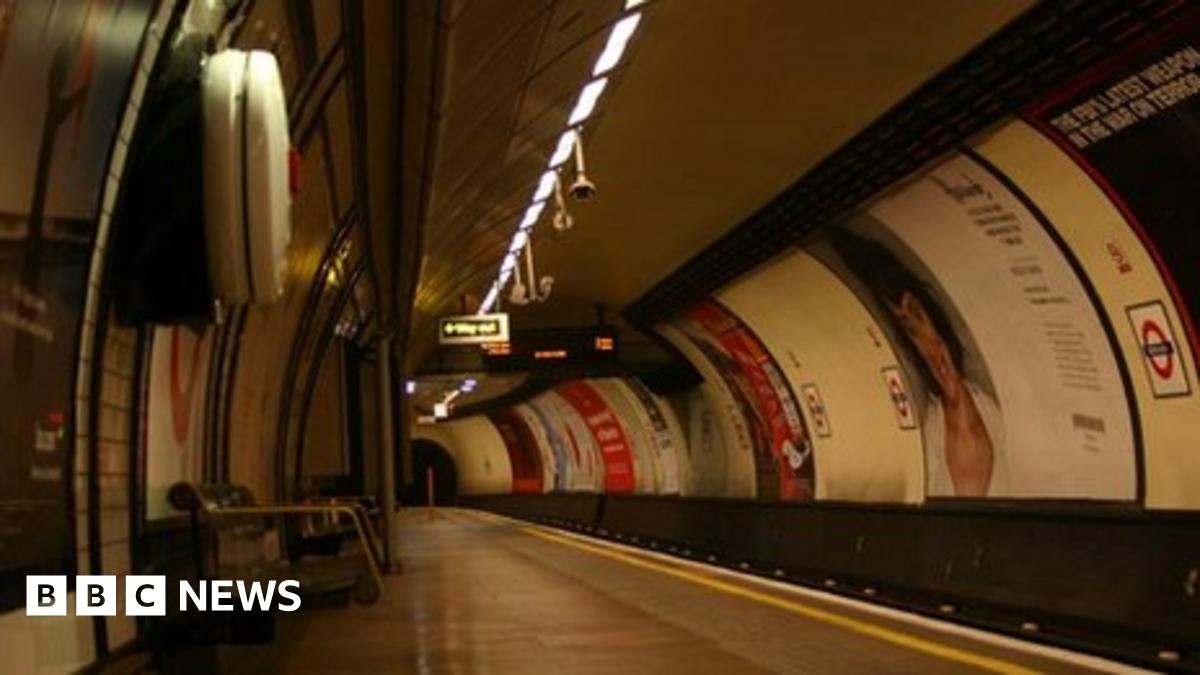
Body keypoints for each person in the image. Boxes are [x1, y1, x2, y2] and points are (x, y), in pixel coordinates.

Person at [830, 229, 1006, 497]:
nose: (928, 345)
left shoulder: (995, 414)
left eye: (917, 314)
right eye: (910, 330)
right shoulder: (931, 436)